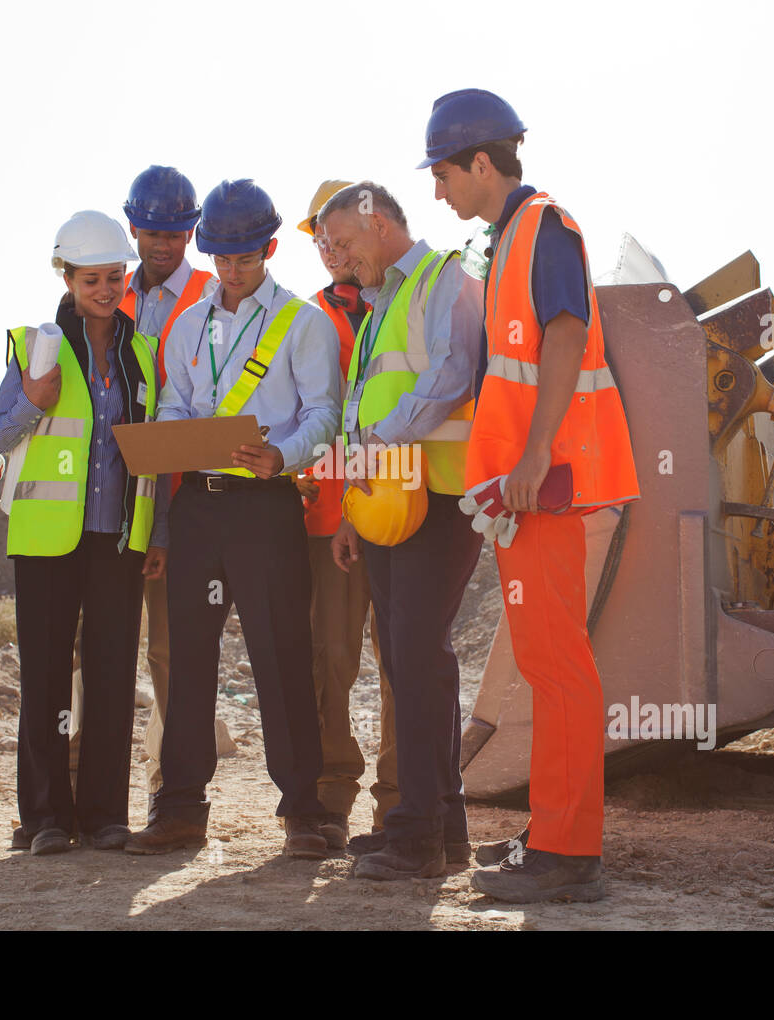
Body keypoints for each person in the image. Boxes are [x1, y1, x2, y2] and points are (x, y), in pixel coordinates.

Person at [422, 89, 640, 901]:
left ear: (483, 162)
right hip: (524, 492)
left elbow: (565, 332)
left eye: (443, 173)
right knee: (551, 668)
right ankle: (553, 832)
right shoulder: (507, 236)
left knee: (559, 670)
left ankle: (569, 853)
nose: (437, 191)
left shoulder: (544, 226)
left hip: (544, 487)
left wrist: (537, 451)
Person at [123, 179, 340, 860]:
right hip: (197, 508)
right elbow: (174, 407)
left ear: (270, 249)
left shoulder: (303, 323)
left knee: (281, 655)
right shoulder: (187, 328)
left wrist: (283, 454)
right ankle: (180, 809)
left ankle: (305, 811)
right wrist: (173, 438)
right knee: (186, 659)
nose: (230, 270)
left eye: (244, 257)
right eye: (220, 256)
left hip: (267, 505)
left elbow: (324, 416)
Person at [319, 181, 484, 880]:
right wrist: (356, 499)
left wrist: (380, 444)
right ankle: (437, 829)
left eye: (344, 244)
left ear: (378, 223)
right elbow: (363, 408)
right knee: (411, 665)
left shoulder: (444, 280)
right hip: (391, 502)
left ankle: (417, 835)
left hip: (440, 499)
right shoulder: (385, 302)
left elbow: (453, 374)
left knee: (418, 662)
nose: (338, 258)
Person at [0, 210, 161, 855]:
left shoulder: (142, 352)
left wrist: (156, 534)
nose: (108, 290)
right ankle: (45, 819)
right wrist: (33, 397)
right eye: (93, 279)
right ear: (67, 278)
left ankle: (106, 815)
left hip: (117, 537)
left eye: (115, 277)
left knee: (114, 675)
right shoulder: (36, 346)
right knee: (46, 677)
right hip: (45, 537)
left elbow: (151, 450)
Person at [297, 180, 399, 846]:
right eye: (321, 241)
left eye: (341, 238)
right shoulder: (306, 320)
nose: (331, 250)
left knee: (401, 661)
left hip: (397, 509)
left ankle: (399, 804)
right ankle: (331, 797)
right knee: (331, 659)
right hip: (327, 514)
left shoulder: (407, 307)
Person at [117, 165, 217, 798]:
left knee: (172, 653)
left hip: (185, 500)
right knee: (91, 647)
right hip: (111, 499)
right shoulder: (105, 291)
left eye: (177, 232)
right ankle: (77, 792)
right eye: (153, 230)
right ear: (133, 226)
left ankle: (170, 790)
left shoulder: (215, 293)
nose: (164, 244)